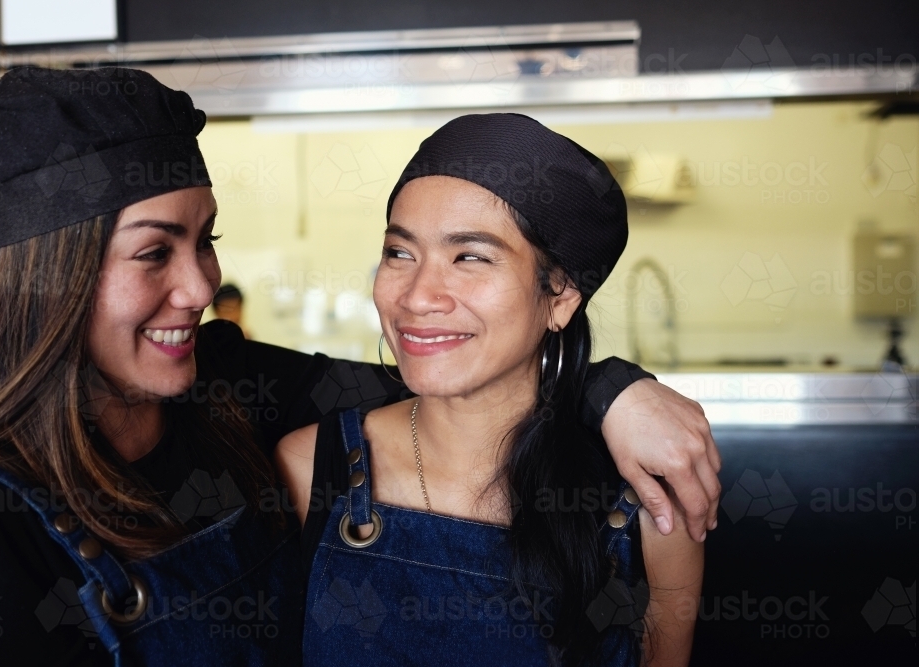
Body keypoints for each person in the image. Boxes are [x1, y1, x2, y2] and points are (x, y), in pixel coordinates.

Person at [0, 68, 717, 666]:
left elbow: (454, 389)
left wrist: (611, 389)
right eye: (155, 252)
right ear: (44, 281)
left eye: (207, 244)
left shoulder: (224, 388)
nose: (202, 288)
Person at [277, 114, 703, 666]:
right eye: (400, 253)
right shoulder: (309, 465)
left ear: (561, 296)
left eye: (470, 257)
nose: (419, 296)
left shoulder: (648, 498)